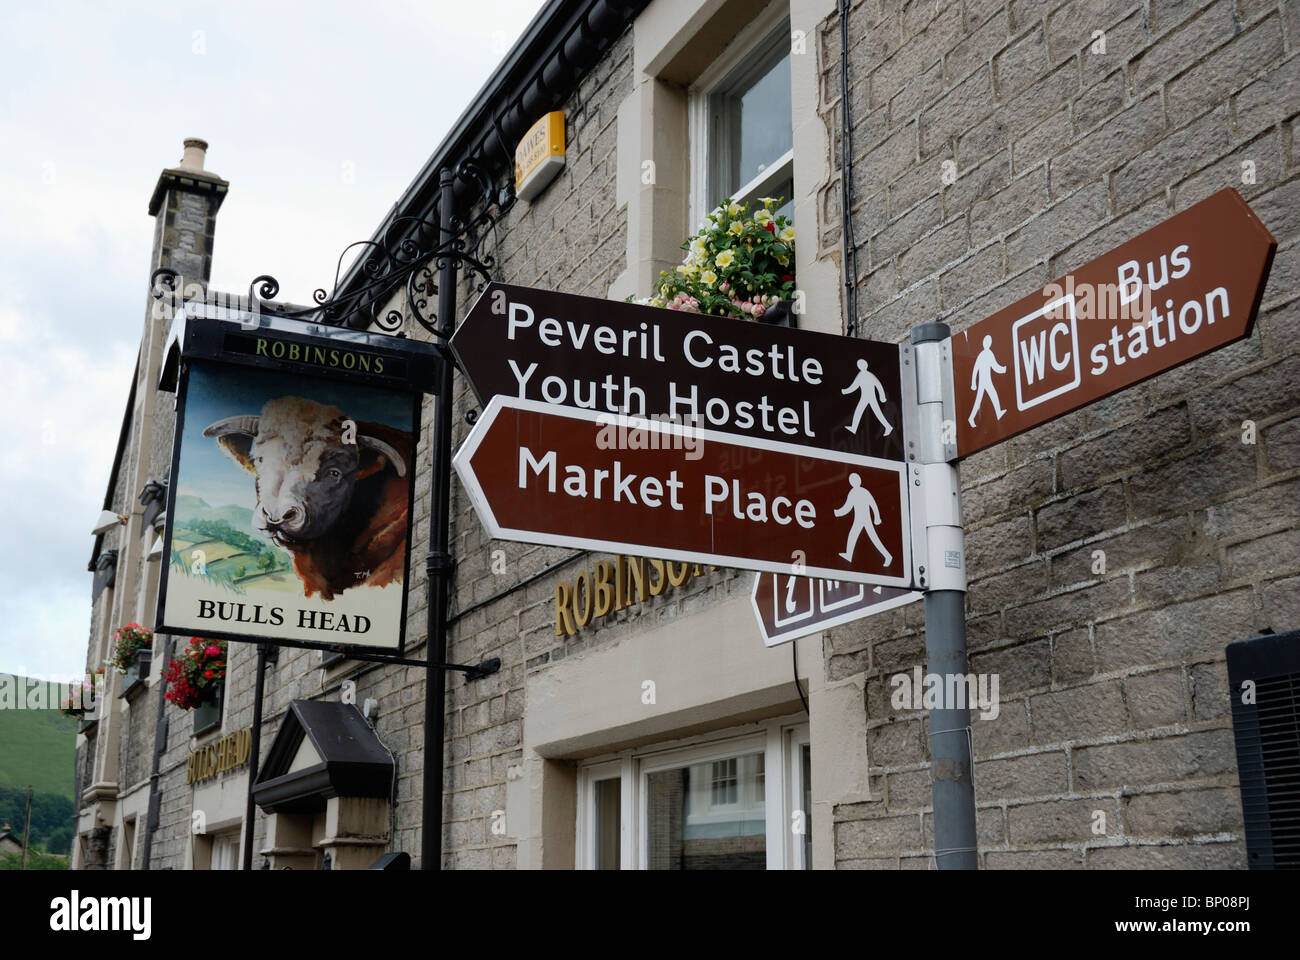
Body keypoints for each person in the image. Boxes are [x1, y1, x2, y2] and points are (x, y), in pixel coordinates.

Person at [834, 472, 892, 567]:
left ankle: (888, 556)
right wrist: (837, 512)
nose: (852, 482)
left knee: (874, 539)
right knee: (853, 535)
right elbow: (848, 507)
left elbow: (872, 504)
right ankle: (849, 554)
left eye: (853, 480)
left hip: (865, 519)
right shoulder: (857, 492)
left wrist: (877, 517)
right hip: (859, 519)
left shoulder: (860, 492)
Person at [841, 359, 892, 435]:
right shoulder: (862, 375)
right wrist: (845, 391)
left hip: (870, 397)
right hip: (865, 397)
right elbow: (855, 386)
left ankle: (888, 426)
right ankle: (854, 427)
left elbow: (878, 385)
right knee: (859, 411)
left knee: (877, 412)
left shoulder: (865, 375)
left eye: (860, 365)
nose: (859, 366)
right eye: (859, 365)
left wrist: (882, 396)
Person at [968, 334, 1007, 428]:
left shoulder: (987, 353)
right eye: (986, 342)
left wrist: (1002, 369)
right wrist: (973, 383)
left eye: (988, 342)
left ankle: (998, 412)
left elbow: (994, 366)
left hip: (987, 380)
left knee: (992, 395)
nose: (987, 343)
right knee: (979, 400)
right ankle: (971, 418)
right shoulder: (984, 354)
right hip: (983, 381)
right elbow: (976, 369)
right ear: (984, 343)